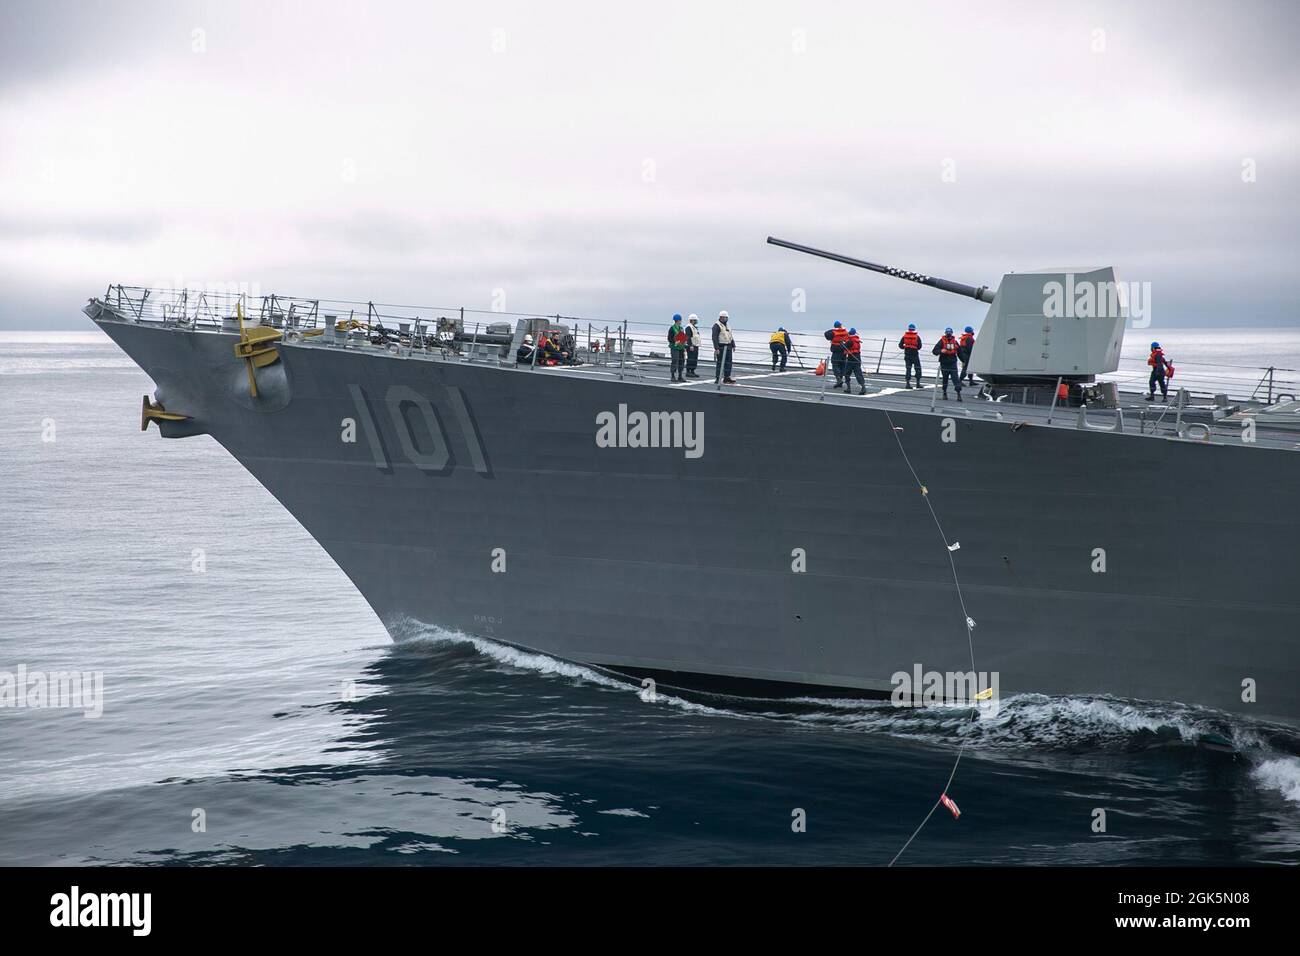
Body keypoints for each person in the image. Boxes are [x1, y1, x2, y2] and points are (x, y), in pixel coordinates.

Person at [933, 326, 962, 400]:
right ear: (945, 333)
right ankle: (944, 393)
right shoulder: (941, 341)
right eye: (947, 333)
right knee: (945, 379)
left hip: (952, 363)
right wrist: (941, 351)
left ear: (952, 333)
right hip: (944, 363)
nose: (948, 334)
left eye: (950, 333)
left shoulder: (955, 342)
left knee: (955, 379)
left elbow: (960, 352)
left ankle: (958, 394)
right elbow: (934, 351)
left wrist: (964, 361)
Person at [712, 310, 736, 384]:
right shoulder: (716, 325)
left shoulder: (728, 325)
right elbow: (714, 337)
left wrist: (733, 345)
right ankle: (718, 378)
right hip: (721, 347)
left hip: (728, 346)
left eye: (727, 318)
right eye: (725, 317)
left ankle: (727, 377)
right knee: (720, 363)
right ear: (721, 317)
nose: (726, 319)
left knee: (728, 363)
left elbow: (730, 336)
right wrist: (716, 348)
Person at [824, 320, 849, 387]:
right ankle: (840, 380)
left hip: (836, 351)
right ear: (840, 325)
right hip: (844, 351)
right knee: (842, 366)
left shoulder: (833, 332)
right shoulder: (845, 332)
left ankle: (838, 380)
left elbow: (826, 334)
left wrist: (834, 329)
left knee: (835, 365)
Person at [899, 323, 923, 388]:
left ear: (908, 329)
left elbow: (900, 345)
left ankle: (907, 384)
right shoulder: (917, 337)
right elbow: (920, 346)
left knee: (908, 369)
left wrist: (905, 347)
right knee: (918, 368)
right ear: (914, 329)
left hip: (907, 354)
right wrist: (915, 347)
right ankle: (918, 383)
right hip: (915, 354)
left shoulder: (904, 336)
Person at [844, 327, 866, 394]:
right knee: (858, 374)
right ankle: (863, 387)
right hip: (858, 357)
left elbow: (844, 347)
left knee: (846, 373)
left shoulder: (850, 341)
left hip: (851, 358)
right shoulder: (857, 340)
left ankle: (848, 388)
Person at [667, 314, 688, 382]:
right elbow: (669, 338)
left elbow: (683, 337)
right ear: (678, 320)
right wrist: (675, 341)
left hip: (681, 347)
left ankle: (680, 376)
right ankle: (673, 376)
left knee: (682, 361)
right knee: (675, 361)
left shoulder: (681, 328)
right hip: (674, 347)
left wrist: (684, 345)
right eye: (680, 320)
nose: (680, 321)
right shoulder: (672, 328)